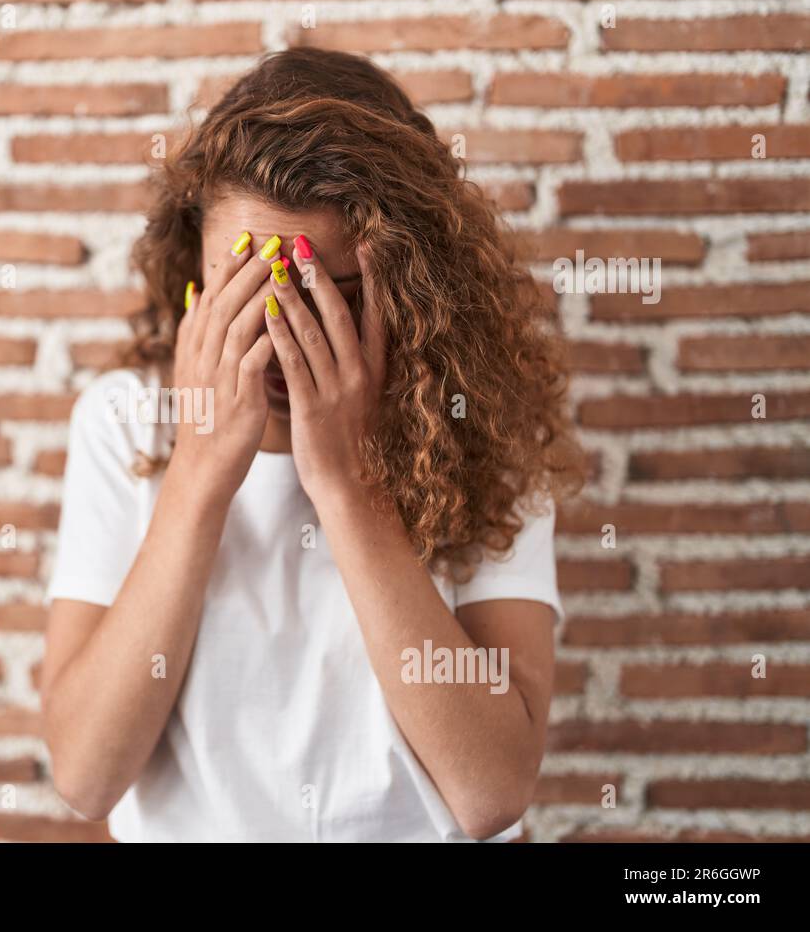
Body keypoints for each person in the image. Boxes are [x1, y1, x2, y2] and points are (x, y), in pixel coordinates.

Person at [40, 47, 585, 842]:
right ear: (196, 272)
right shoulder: (125, 424)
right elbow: (85, 778)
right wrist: (197, 475)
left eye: (329, 299)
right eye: (247, 291)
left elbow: (493, 790)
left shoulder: (485, 429)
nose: (278, 340)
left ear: (409, 289)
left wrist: (346, 482)